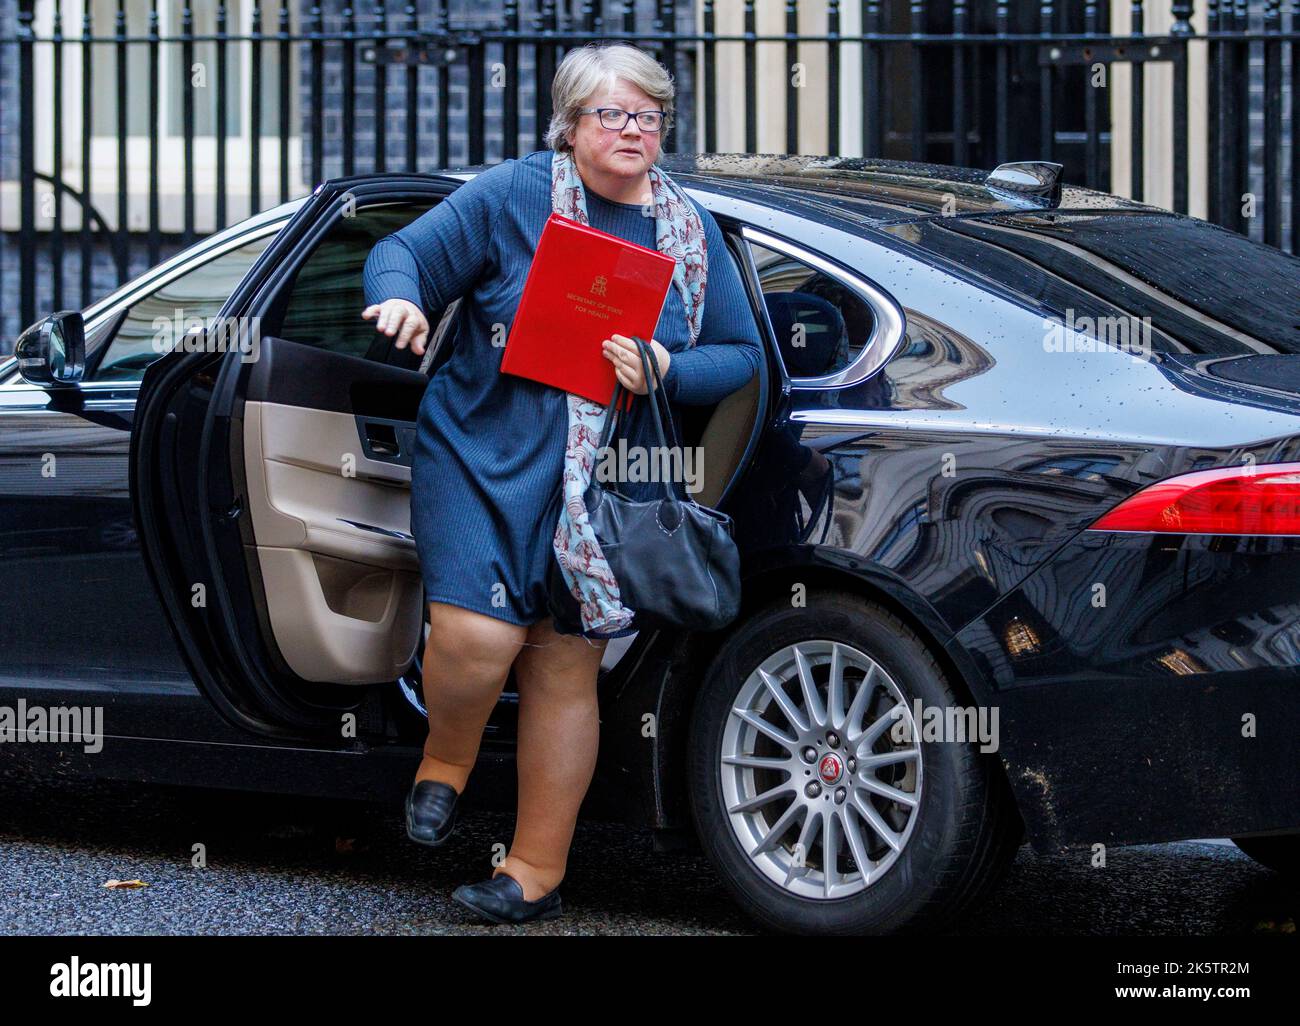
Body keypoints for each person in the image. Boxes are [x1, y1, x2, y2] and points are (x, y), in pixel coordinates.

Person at [360, 40, 763, 924]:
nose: (632, 130)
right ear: (570, 125)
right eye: (611, 114)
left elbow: (741, 356)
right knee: (477, 636)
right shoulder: (514, 195)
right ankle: (448, 757)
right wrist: (403, 300)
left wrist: (666, 366)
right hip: (480, 452)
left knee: (562, 665)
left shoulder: (688, 230)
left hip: (599, 482)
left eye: (648, 115)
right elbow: (402, 253)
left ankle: (533, 871)